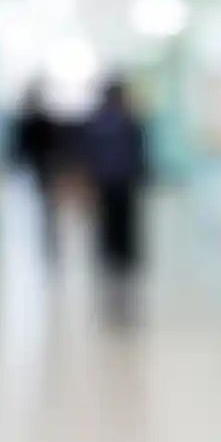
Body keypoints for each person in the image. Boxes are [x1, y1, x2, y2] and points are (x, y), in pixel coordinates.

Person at [82, 76, 149, 326]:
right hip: (126, 187)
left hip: (104, 188)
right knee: (126, 236)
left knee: (108, 235)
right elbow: (141, 155)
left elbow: (88, 156)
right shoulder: (130, 120)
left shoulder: (96, 122)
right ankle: (124, 283)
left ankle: (112, 283)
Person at [9, 80, 60, 265]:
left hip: (40, 168)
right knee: (44, 205)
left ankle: (45, 236)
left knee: (43, 205)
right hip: (42, 168)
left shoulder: (33, 121)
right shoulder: (40, 121)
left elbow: (20, 147)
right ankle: (45, 236)